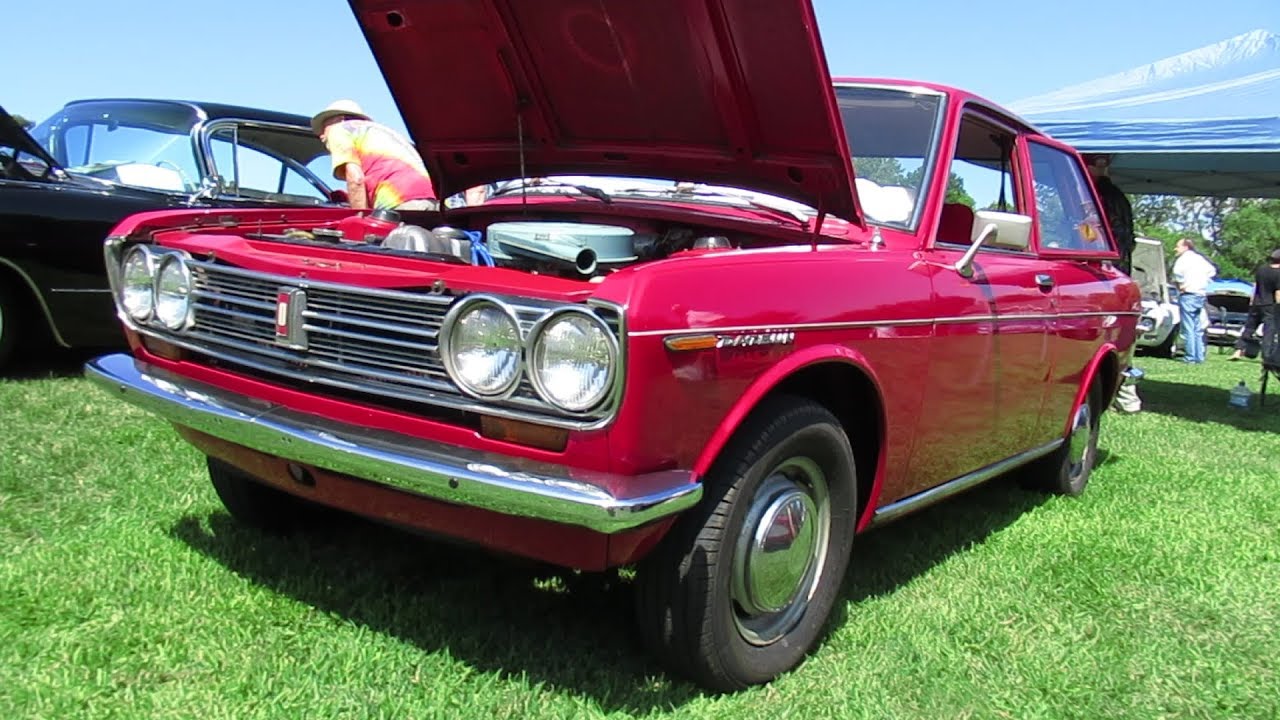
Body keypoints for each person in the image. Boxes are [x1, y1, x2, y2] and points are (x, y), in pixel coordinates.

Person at [311, 99, 438, 211]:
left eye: (324, 128)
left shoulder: (339, 130)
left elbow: (356, 179)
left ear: (339, 119)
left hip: (400, 202)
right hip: (431, 198)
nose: (321, 136)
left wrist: (359, 219)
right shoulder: (384, 132)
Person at [1083, 154, 1135, 274]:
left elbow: (1094, 232)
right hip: (1119, 263)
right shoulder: (1117, 196)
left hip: (1106, 265)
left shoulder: (1097, 194)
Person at [1171, 238, 1218, 364]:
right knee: (1197, 327)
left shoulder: (1182, 260)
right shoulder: (1200, 259)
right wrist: (1202, 281)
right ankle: (1199, 356)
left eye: (1178, 246)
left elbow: (1177, 273)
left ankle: (1190, 356)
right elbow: (1212, 271)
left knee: (1188, 327)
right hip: (1200, 294)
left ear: (1186, 247)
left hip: (1188, 294)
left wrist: (1182, 284)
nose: (1176, 249)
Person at [1232, 248, 1280, 360]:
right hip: (1270, 305)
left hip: (1256, 303)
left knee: (1249, 328)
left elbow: (1255, 286)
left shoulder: (1261, 270)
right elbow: (1278, 293)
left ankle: (1238, 351)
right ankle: (1266, 356)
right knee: (1269, 331)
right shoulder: (1278, 274)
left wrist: (1252, 301)